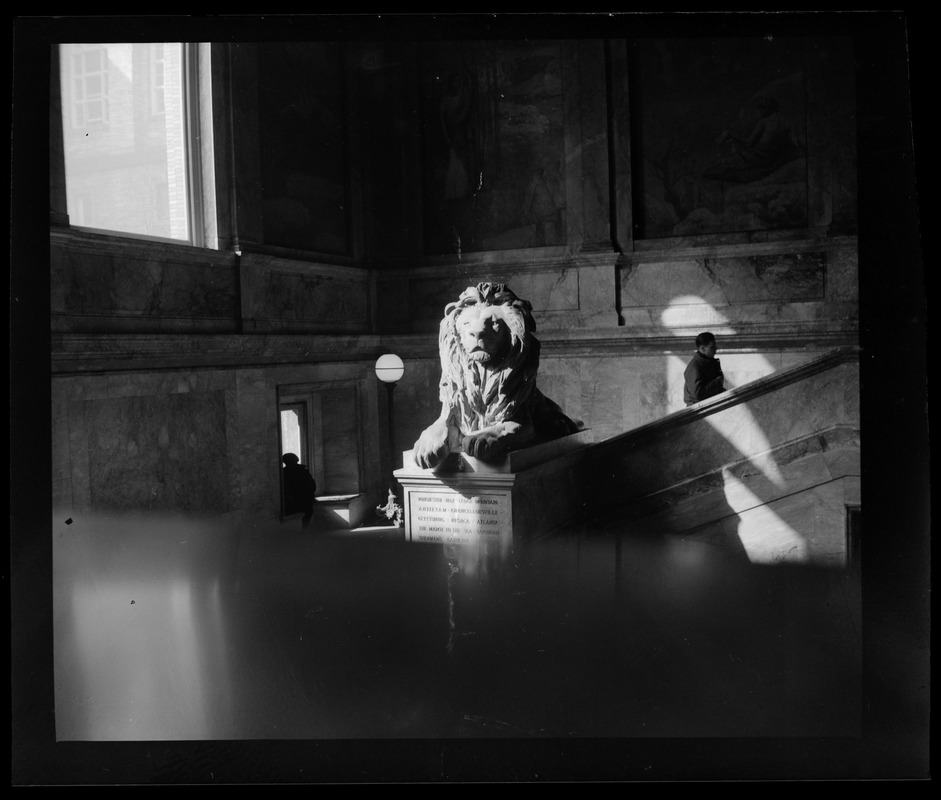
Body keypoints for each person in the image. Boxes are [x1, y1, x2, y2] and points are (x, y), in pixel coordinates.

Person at [683, 332, 725, 405]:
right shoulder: (695, 366)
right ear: (702, 348)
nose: (716, 349)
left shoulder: (707, 362)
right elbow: (697, 395)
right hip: (699, 411)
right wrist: (717, 382)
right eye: (712, 347)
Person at [282, 453, 317, 528]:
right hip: (303, 499)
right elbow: (311, 485)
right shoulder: (302, 470)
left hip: (294, 499)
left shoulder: (283, 472)